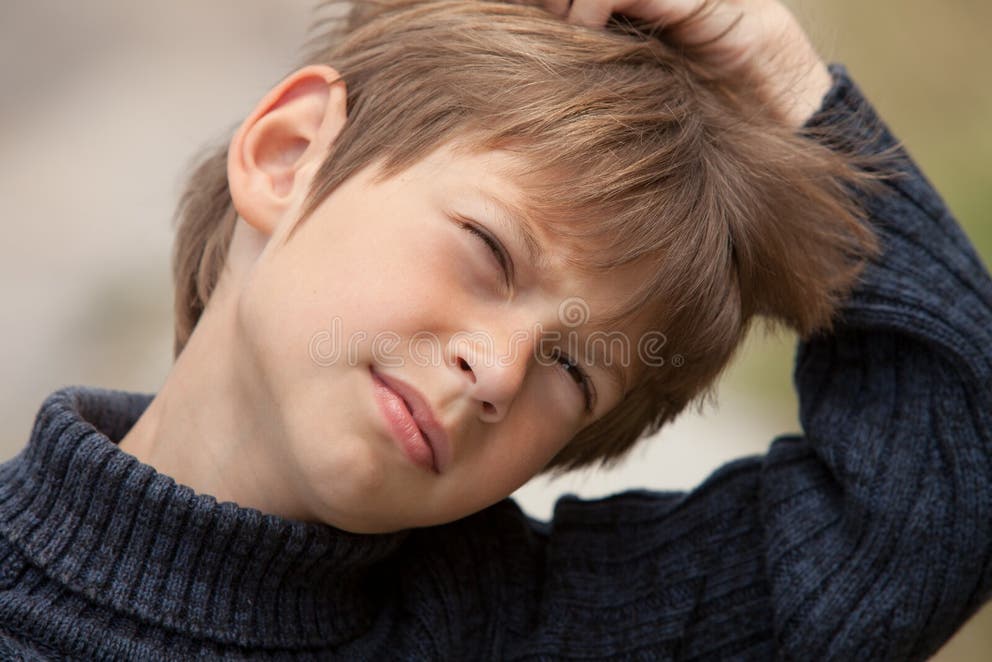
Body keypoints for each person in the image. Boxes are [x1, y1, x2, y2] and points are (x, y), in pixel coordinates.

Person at [1, 0, 989, 659]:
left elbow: (935, 512)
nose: (499, 368)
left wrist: (771, 65)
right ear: (288, 153)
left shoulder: (527, 626)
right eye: (488, 247)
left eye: (572, 368)